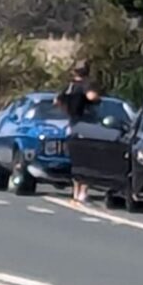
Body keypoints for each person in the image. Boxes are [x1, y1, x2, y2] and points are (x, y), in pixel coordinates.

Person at [56, 61, 100, 204]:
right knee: (87, 159)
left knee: (75, 159)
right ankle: (83, 192)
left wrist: (67, 111)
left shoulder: (69, 87)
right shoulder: (85, 85)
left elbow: (56, 101)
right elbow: (91, 97)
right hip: (85, 125)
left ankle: (76, 192)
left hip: (72, 124)